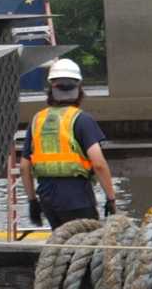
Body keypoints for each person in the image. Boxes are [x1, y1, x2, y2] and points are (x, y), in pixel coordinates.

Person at [20, 58, 119, 228]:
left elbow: (23, 167)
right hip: (78, 199)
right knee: (85, 248)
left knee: (60, 247)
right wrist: (111, 198)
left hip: (48, 199)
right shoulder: (82, 120)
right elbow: (99, 164)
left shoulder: (38, 120)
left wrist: (32, 201)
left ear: (51, 89)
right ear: (79, 89)